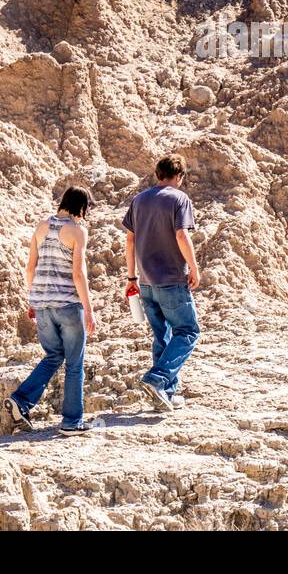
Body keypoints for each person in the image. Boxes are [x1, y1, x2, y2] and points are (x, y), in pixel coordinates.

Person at [5, 186, 97, 435]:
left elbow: (29, 269)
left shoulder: (40, 227)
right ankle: (71, 422)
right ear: (81, 207)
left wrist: (33, 300)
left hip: (42, 305)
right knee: (74, 364)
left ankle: (21, 401)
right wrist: (89, 310)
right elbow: (78, 274)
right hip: (68, 305)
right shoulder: (78, 231)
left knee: (53, 357)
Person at [122, 154, 199, 412]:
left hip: (145, 281)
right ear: (179, 176)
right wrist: (194, 267)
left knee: (161, 335)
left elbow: (130, 241)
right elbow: (181, 235)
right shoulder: (179, 199)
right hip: (171, 278)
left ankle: (165, 393)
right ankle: (158, 378)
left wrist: (131, 277)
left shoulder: (139, 200)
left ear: (158, 174)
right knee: (188, 331)